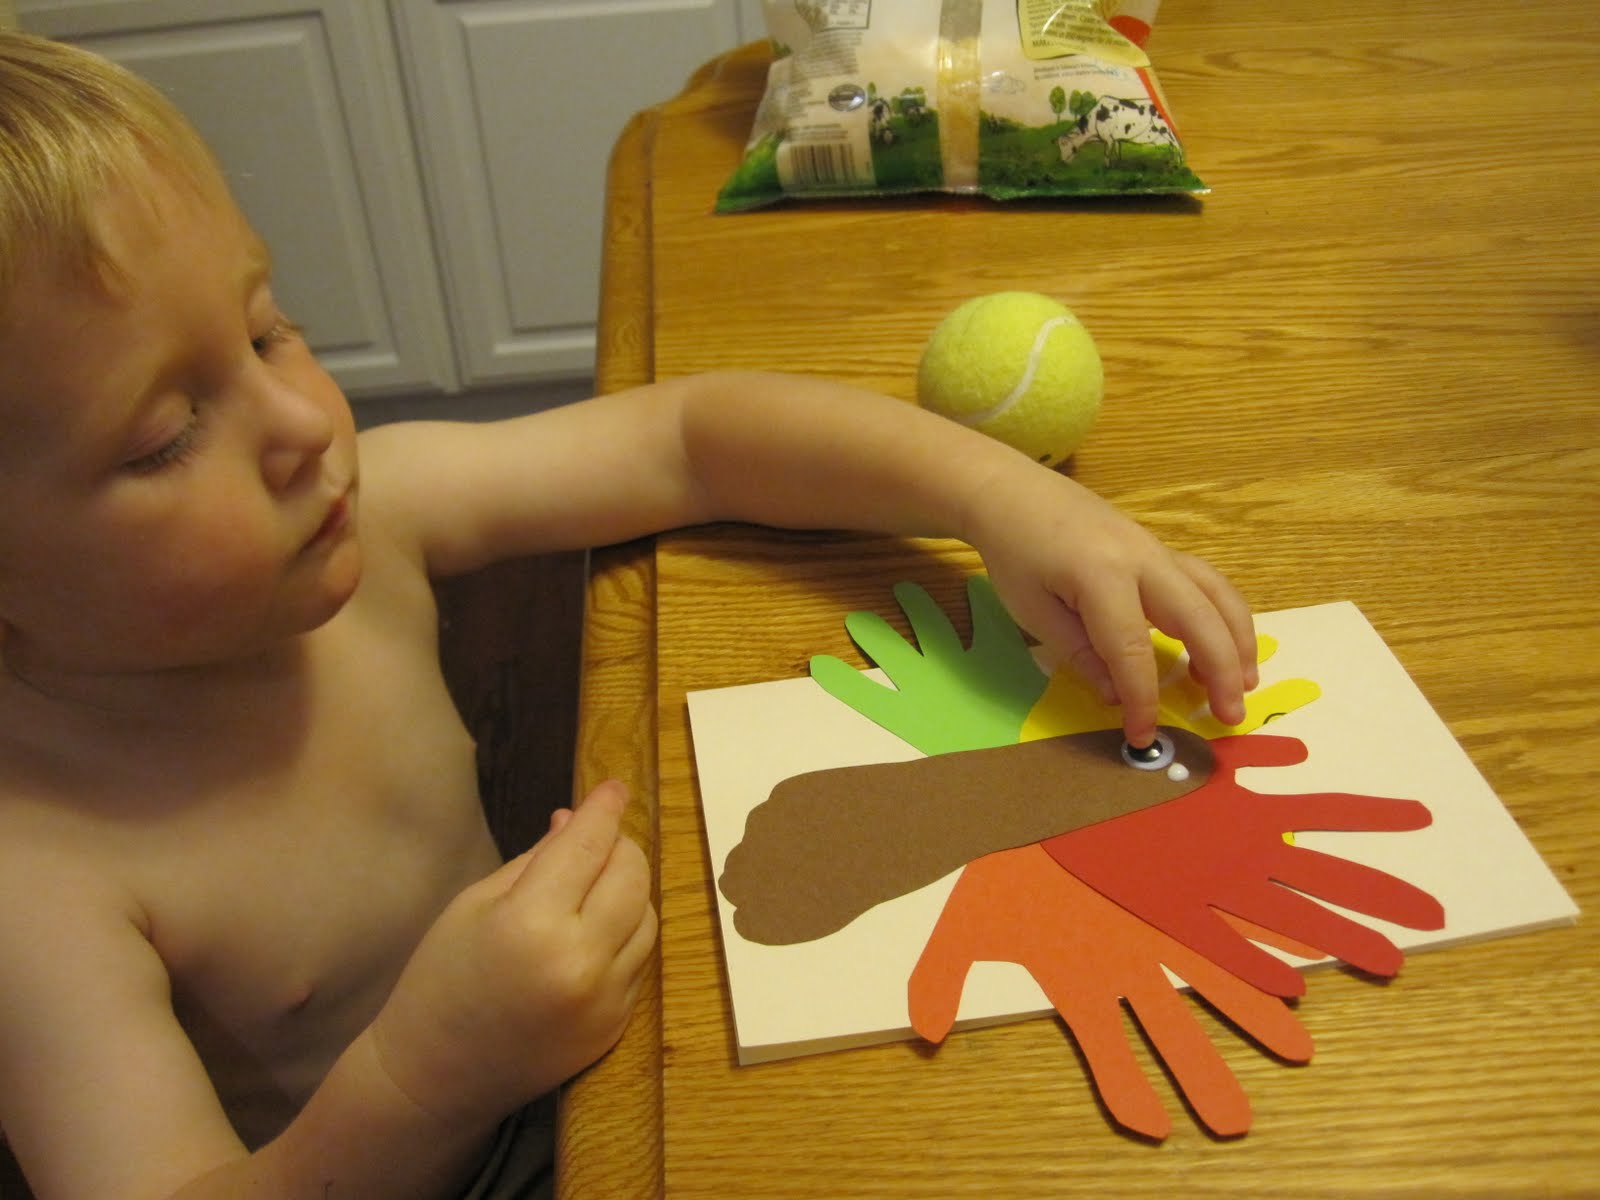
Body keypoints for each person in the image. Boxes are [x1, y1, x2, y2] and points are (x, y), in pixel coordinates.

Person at [0, 29, 1257, 1200]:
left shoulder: (361, 519)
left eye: (269, 332)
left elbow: (687, 437)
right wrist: (423, 1078)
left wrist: (999, 501)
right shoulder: (36, 890)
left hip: (581, 1054)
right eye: (165, 438)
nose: (297, 427)